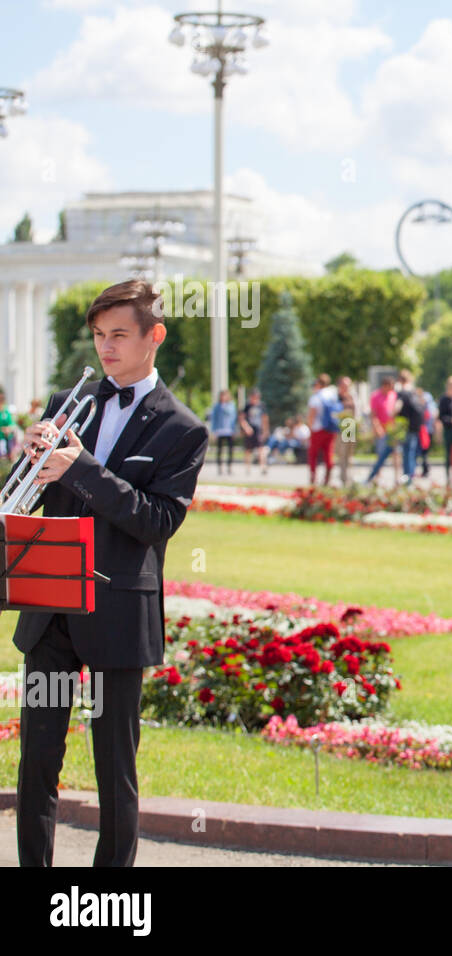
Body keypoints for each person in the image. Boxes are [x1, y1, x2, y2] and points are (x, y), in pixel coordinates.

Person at [12, 278, 208, 867]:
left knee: (113, 767)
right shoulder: (68, 406)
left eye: (119, 334)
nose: (106, 347)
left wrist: (81, 470)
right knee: (37, 762)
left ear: (156, 337)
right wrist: (28, 457)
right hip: (50, 604)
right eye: (99, 335)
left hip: (118, 611)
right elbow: (32, 500)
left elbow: (155, 522)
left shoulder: (183, 428)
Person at [306, 373, 339, 486]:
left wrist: (310, 429)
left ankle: (313, 477)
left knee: (313, 454)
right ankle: (327, 478)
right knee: (328, 453)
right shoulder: (332, 395)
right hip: (331, 429)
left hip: (318, 428)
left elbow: (312, 415)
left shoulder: (316, 397)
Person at [393, 370, 425, 486]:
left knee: (406, 452)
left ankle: (407, 477)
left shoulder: (402, 392)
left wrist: (392, 416)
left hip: (405, 425)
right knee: (411, 452)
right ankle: (411, 475)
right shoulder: (414, 391)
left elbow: (397, 407)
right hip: (415, 426)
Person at [366, 375, 398, 485]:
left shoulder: (393, 395)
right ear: (385, 386)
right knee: (380, 454)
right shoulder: (375, 396)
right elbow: (373, 415)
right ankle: (377, 477)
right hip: (381, 429)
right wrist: (377, 428)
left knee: (396, 453)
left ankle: (397, 477)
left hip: (392, 429)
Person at [238, 387, 269, 475]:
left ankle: (263, 467)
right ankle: (248, 468)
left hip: (258, 429)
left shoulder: (261, 405)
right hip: (249, 430)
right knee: (248, 450)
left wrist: (265, 430)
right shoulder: (247, 406)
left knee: (261, 448)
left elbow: (264, 418)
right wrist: (246, 427)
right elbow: (242, 418)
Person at [207, 389, 237, 475]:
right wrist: (213, 431)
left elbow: (233, 418)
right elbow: (214, 419)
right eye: (222, 396)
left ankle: (229, 467)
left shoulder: (231, 405)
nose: (223, 397)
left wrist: (234, 430)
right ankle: (219, 467)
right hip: (220, 430)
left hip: (229, 430)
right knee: (219, 450)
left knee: (230, 450)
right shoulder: (217, 406)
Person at [335, 376, 357, 486]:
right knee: (342, 454)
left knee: (350, 454)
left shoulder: (351, 397)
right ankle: (343, 479)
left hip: (350, 427)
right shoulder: (336, 397)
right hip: (341, 428)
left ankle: (350, 476)